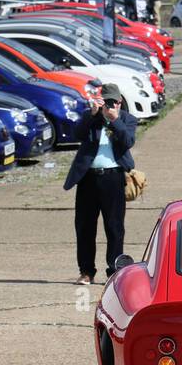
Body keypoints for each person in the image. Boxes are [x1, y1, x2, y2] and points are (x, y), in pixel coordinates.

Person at [62, 83, 137, 284]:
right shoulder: (91, 117)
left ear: (120, 102)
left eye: (113, 102)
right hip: (88, 178)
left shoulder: (127, 119)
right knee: (85, 226)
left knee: (114, 227)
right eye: (105, 102)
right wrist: (93, 115)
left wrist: (114, 120)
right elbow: (77, 134)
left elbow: (128, 141)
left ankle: (114, 270)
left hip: (113, 178)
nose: (109, 105)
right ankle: (86, 271)